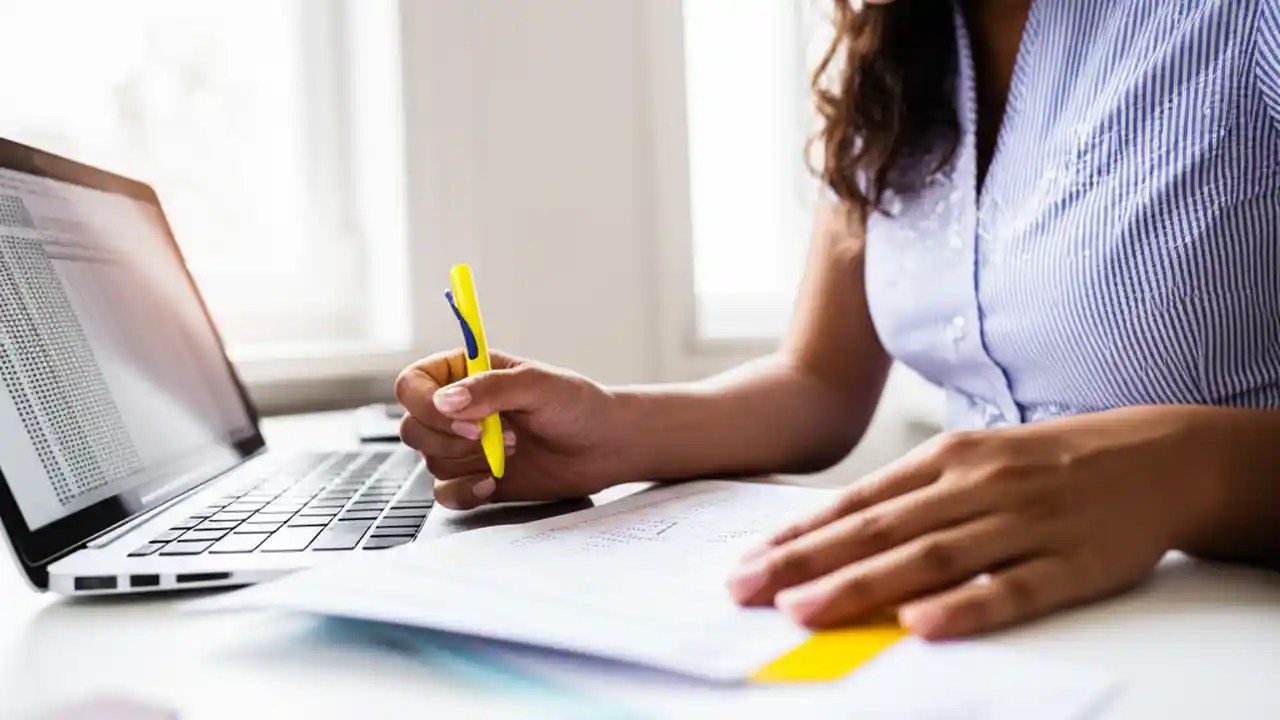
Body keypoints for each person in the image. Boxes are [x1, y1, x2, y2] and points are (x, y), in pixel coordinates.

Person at [395, 0, 1280, 640]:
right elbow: (817, 384)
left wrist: (1184, 471)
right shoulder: (892, 42)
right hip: (963, 634)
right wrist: (610, 431)